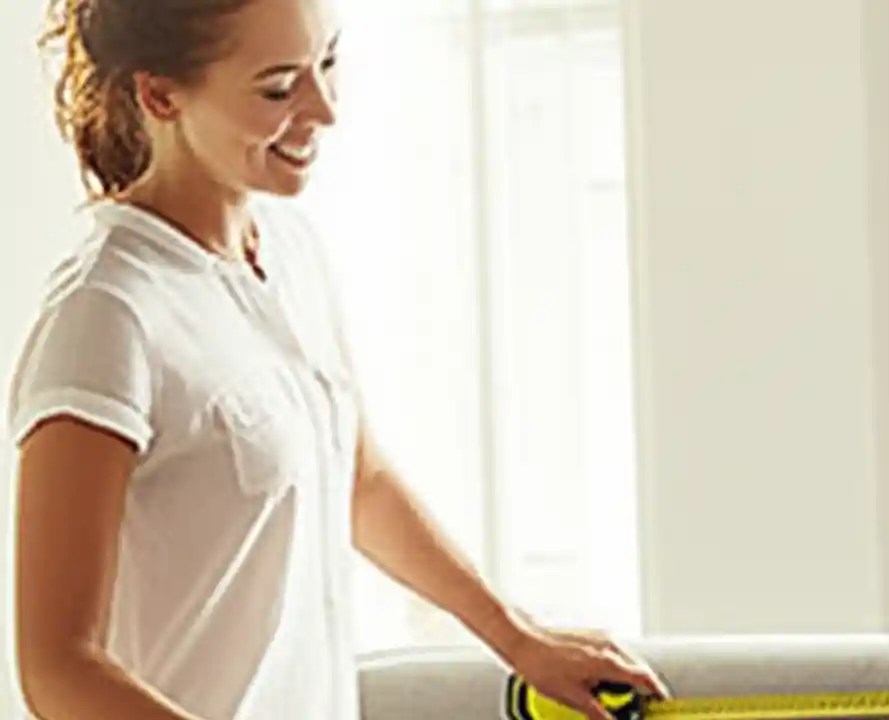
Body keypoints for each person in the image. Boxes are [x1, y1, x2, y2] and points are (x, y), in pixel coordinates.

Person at [7, 0, 669, 718]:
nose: (323, 109)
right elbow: (58, 668)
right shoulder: (107, 313)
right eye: (278, 87)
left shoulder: (290, 253)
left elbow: (360, 482)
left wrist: (519, 638)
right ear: (160, 94)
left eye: (327, 62)